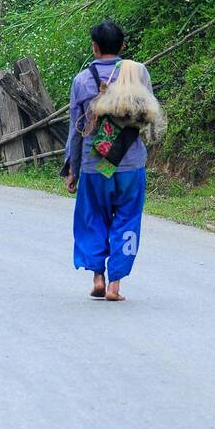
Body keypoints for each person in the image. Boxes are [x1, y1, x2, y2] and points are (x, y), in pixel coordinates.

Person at [63, 20, 153, 302]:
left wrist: (72, 169)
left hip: (94, 165)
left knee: (92, 219)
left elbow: (75, 131)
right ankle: (115, 284)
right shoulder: (137, 72)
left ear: (94, 47)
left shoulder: (82, 81)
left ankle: (97, 278)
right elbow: (148, 113)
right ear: (122, 46)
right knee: (127, 218)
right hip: (130, 163)